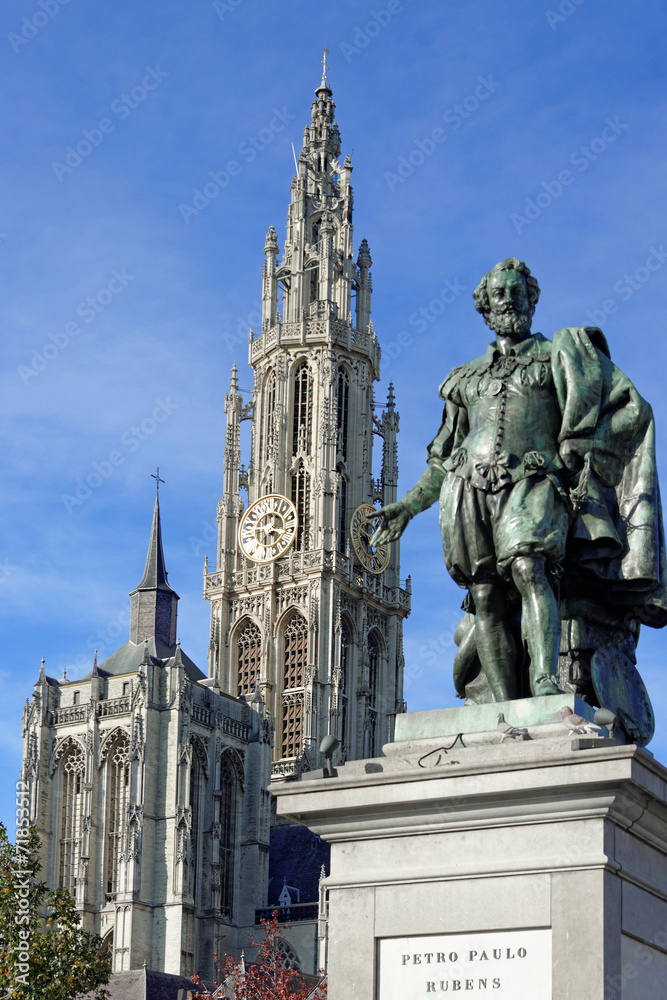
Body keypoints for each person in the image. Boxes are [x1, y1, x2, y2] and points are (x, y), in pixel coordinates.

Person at [373, 258, 667, 703]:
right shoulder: (464, 378)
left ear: (532, 300)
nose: (509, 300)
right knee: (485, 595)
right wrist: (409, 506)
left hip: (533, 481)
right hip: (468, 491)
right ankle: (504, 705)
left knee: (531, 569)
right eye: (499, 295)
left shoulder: (560, 355)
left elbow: (634, 408)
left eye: (517, 292)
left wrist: (582, 449)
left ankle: (545, 681)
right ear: (486, 310)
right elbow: (443, 459)